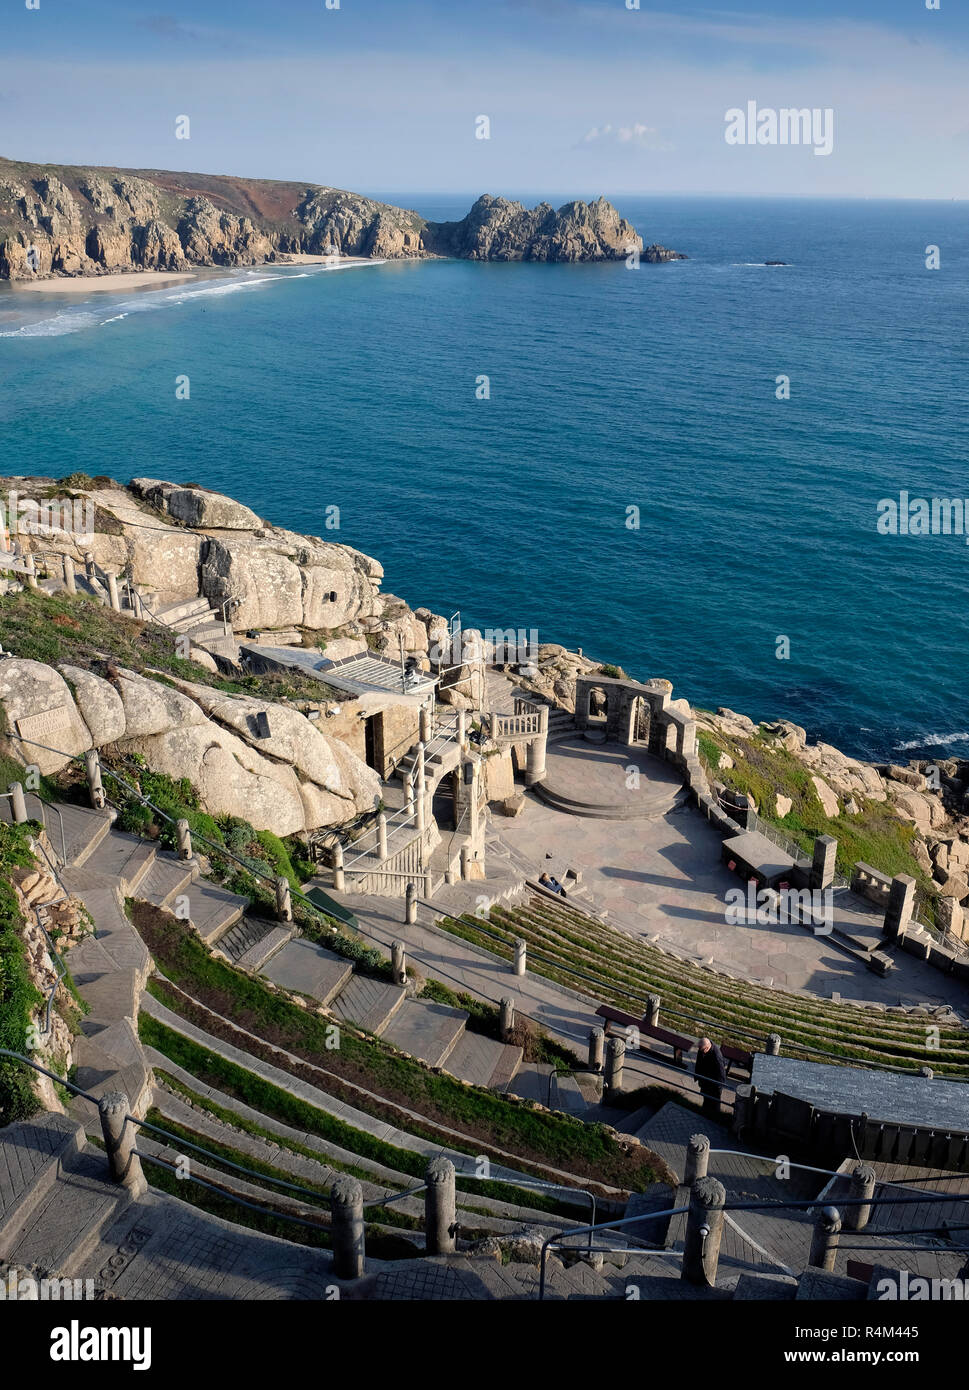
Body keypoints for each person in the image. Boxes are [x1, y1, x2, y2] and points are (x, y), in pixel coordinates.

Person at [694, 1036, 726, 1118]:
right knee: (706, 1098)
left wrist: (718, 1089)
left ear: (707, 1048)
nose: (700, 1052)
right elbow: (699, 1062)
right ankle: (705, 1114)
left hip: (714, 1084)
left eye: (701, 1050)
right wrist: (697, 1076)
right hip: (706, 1079)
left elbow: (721, 1075)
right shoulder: (703, 1049)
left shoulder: (717, 1057)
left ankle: (715, 1118)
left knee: (715, 1103)